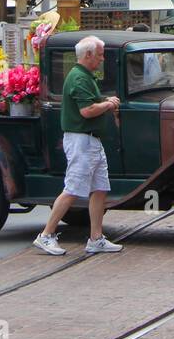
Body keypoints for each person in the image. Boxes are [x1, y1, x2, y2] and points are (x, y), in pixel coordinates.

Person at [34, 36, 124, 256]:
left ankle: (96, 237)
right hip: (81, 140)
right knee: (73, 187)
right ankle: (46, 235)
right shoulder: (79, 78)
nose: (102, 59)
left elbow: (91, 104)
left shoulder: (84, 76)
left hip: (91, 139)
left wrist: (105, 101)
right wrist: (108, 103)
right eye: (101, 54)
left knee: (100, 187)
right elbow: (87, 110)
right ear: (88, 54)